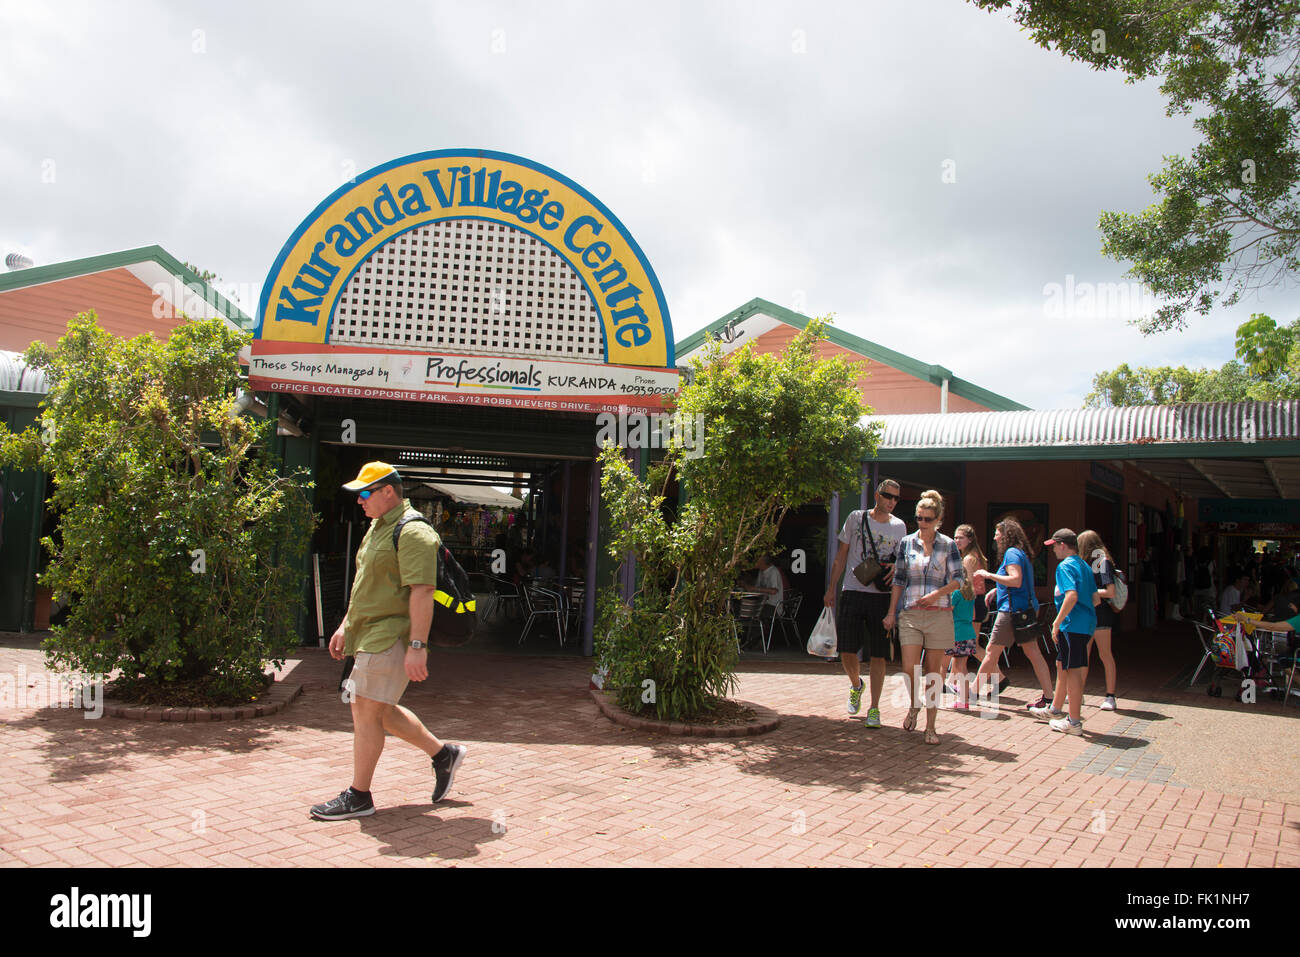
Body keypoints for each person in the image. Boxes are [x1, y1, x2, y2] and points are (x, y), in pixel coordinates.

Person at [312, 462, 467, 821]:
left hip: (390, 635)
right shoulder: (376, 528)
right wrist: (345, 625)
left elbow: (423, 590)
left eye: (366, 493)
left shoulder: (412, 532)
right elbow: (366, 583)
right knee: (378, 710)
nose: (360, 501)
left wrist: (417, 646)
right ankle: (444, 755)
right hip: (366, 634)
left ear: (388, 492)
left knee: (365, 710)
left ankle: (359, 796)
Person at [824, 479, 908, 729]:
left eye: (895, 498)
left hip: (881, 595)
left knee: (879, 654)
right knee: (847, 650)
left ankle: (874, 708)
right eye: (887, 496)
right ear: (876, 495)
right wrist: (831, 588)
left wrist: (896, 567)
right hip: (853, 589)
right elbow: (841, 555)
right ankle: (856, 685)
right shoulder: (855, 518)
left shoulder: (900, 526)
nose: (891, 501)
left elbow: (902, 564)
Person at [882, 490, 964, 745]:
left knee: (933, 673)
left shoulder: (948, 544)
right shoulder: (906, 543)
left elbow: (959, 580)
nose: (922, 523)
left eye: (927, 519)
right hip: (911, 613)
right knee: (909, 668)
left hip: (939, 613)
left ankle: (930, 726)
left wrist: (936, 595)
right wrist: (891, 613)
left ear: (937, 519)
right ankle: (914, 704)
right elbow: (899, 580)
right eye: (919, 518)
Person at [972, 518, 1056, 711]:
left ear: (1006, 535)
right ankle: (1049, 697)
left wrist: (989, 576)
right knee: (1033, 652)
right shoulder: (1021, 553)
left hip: (1011, 611)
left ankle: (972, 693)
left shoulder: (1011, 553)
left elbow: (1015, 580)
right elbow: (1017, 582)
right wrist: (997, 589)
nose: (995, 537)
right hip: (1024, 609)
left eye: (997, 533)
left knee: (992, 652)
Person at [1030, 529, 1098, 734]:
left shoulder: (1065, 566)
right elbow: (1096, 599)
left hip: (1072, 624)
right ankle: (1056, 709)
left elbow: (1071, 596)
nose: (1053, 551)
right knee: (1063, 664)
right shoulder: (1084, 565)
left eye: (1054, 547)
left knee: (1073, 670)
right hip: (1085, 624)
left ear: (1062, 545)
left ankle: (1074, 722)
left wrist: (1057, 622)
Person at [946, 524, 988, 709]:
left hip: (961, 621)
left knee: (961, 657)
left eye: (960, 538)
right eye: (955, 537)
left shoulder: (969, 559)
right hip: (968, 613)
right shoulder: (968, 557)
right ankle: (958, 690)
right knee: (963, 660)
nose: (956, 541)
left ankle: (958, 691)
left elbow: (967, 583)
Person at [1077, 529, 1119, 712]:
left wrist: (1088, 593)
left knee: (1105, 654)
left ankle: (1110, 696)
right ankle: (1078, 692)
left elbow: (1110, 592)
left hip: (1100, 614)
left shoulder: (1102, 562)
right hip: (1086, 613)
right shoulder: (1086, 564)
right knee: (1083, 655)